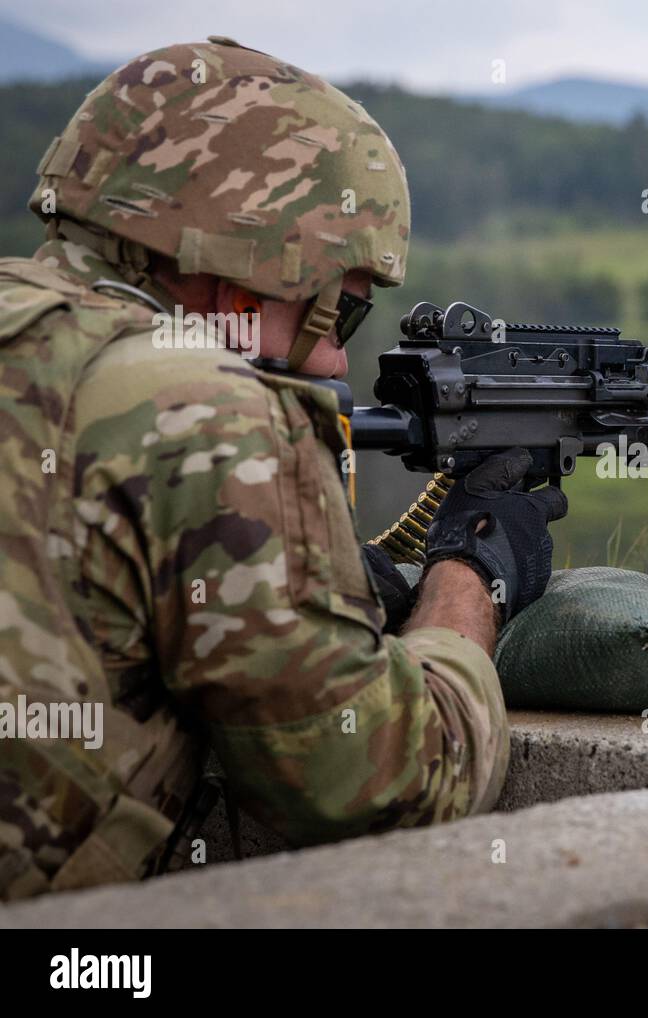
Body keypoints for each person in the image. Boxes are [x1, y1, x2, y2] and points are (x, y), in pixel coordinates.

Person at [0, 37, 564, 901]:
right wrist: (469, 582)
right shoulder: (203, 405)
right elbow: (391, 790)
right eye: (343, 312)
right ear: (241, 292)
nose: (336, 361)